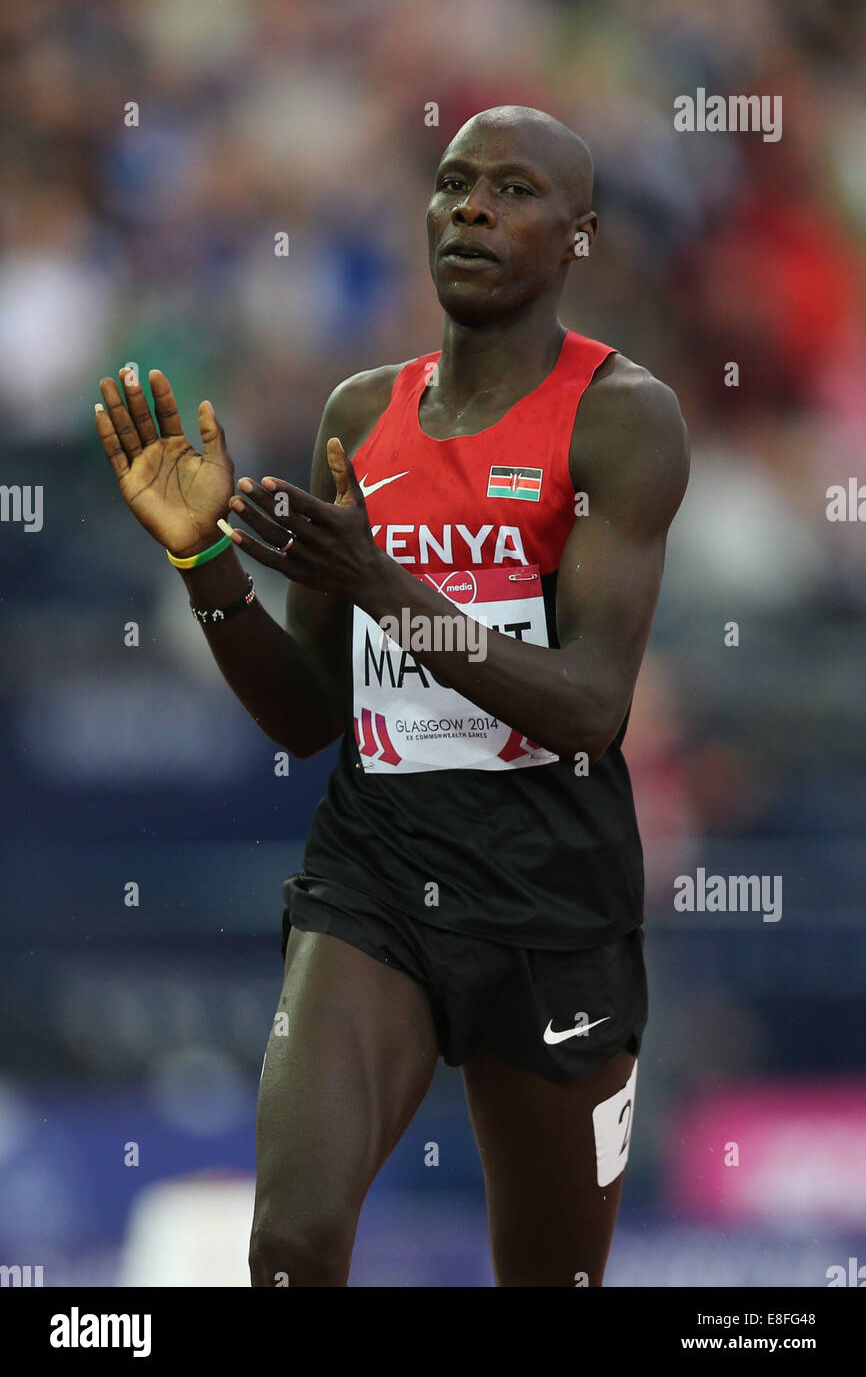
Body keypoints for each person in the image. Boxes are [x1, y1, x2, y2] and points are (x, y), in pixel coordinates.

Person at [95, 104, 689, 1287]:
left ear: (576, 238)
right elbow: (308, 710)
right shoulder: (359, 417)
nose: (471, 206)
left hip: (551, 894)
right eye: (453, 182)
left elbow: (584, 708)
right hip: (375, 871)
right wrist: (205, 561)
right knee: (292, 1243)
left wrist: (374, 576)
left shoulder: (622, 419)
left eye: (513, 190)